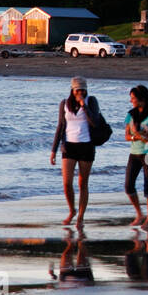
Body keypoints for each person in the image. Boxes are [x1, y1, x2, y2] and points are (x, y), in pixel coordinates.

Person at [51, 76, 101, 229]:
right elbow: (60, 126)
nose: (80, 92)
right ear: (72, 90)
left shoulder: (91, 101)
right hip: (69, 147)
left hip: (86, 146)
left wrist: (84, 107)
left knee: (82, 183)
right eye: (77, 90)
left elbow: (95, 122)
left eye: (83, 90)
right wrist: (53, 150)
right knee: (67, 183)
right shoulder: (64, 104)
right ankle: (71, 210)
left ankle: (80, 216)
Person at [123, 84, 148, 229]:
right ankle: (139, 214)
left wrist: (138, 134)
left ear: (141, 99)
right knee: (128, 186)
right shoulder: (130, 114)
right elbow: (126, 136)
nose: (131, 101)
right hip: (134, 153)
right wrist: (134, 137)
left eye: (133, 98)